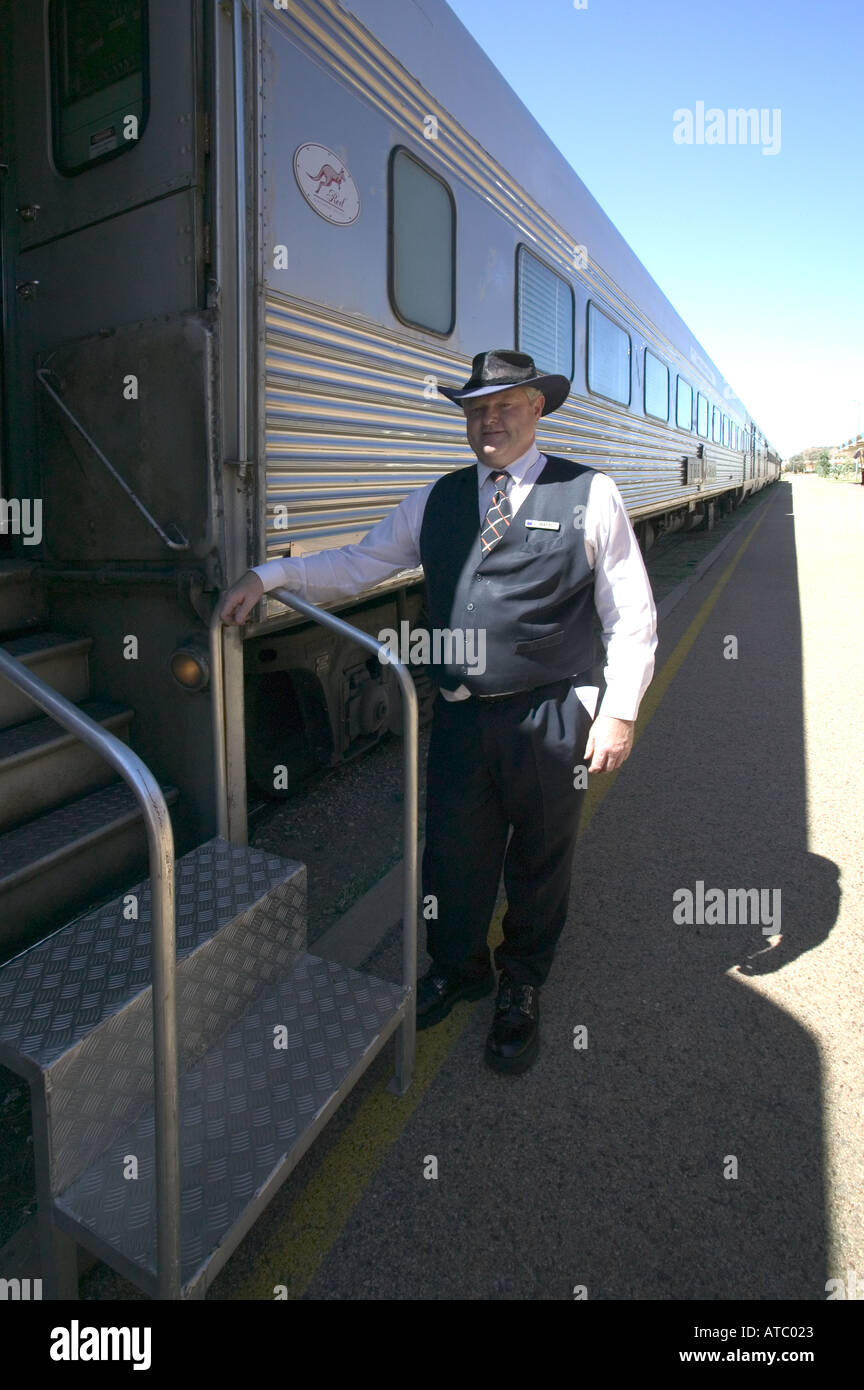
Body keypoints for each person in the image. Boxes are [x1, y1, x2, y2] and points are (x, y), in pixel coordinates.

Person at [220, 349, 657, 1074]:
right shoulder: (439, 498)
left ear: (537, 409)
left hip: (552, 712)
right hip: (459, 715)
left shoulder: (590, 492)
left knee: (541, 856)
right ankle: (459, 967)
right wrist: (274, 574)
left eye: (505, 406)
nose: (489, 420)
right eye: (476, 409)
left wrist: (618, 711)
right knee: (453, 854)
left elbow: (631, 613)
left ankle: (522, 980)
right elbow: (362, 562)